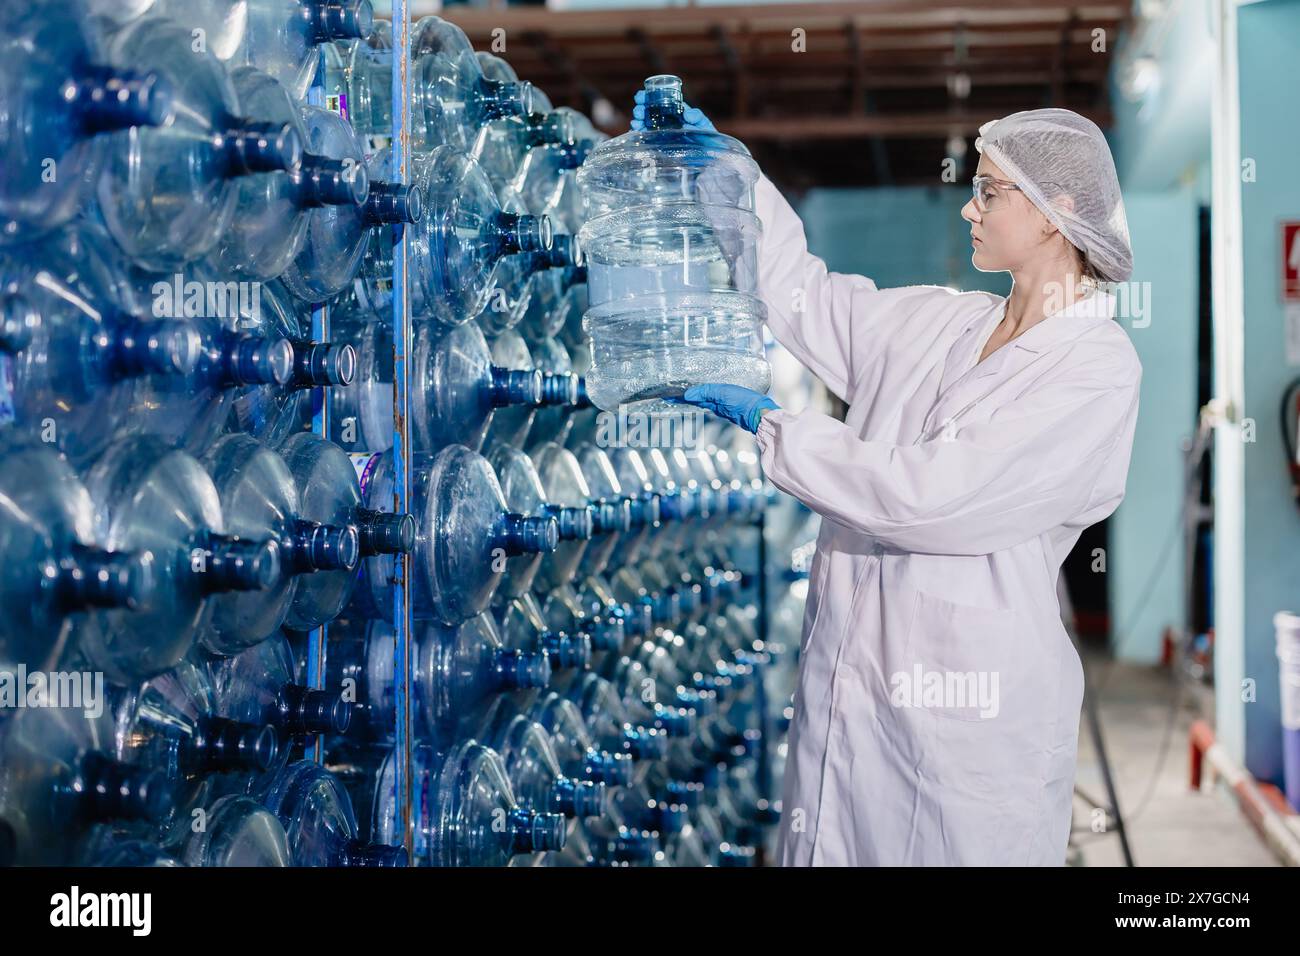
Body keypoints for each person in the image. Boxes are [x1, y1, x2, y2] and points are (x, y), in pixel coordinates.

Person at [634, 95, 1143, 865]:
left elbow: (935, 496)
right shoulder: (945, 322)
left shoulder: (1094, 367)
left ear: (1054, 212)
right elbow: (810, 300)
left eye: (990, 192)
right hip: (853, 683)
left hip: (970, 714)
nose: (969, 210)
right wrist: (728, 177)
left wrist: (777, 425)